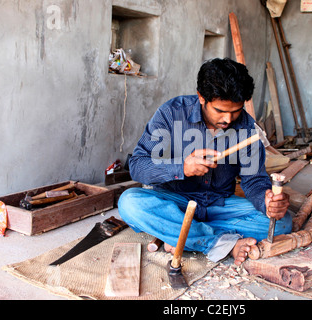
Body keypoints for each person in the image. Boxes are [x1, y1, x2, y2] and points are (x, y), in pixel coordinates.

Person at [118, 58, 292, 265]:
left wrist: (267, 201)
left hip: (218, 203)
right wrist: (181, 167)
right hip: (176, 200)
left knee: (283, 223)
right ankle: (219, 241)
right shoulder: (171, 113)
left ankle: (183, 234)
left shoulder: (247, 127)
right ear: (202, 97)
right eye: (220, 111)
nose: (228, 119)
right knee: (130, 203)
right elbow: (138, 165)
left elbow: (253, 181)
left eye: (235, 110)